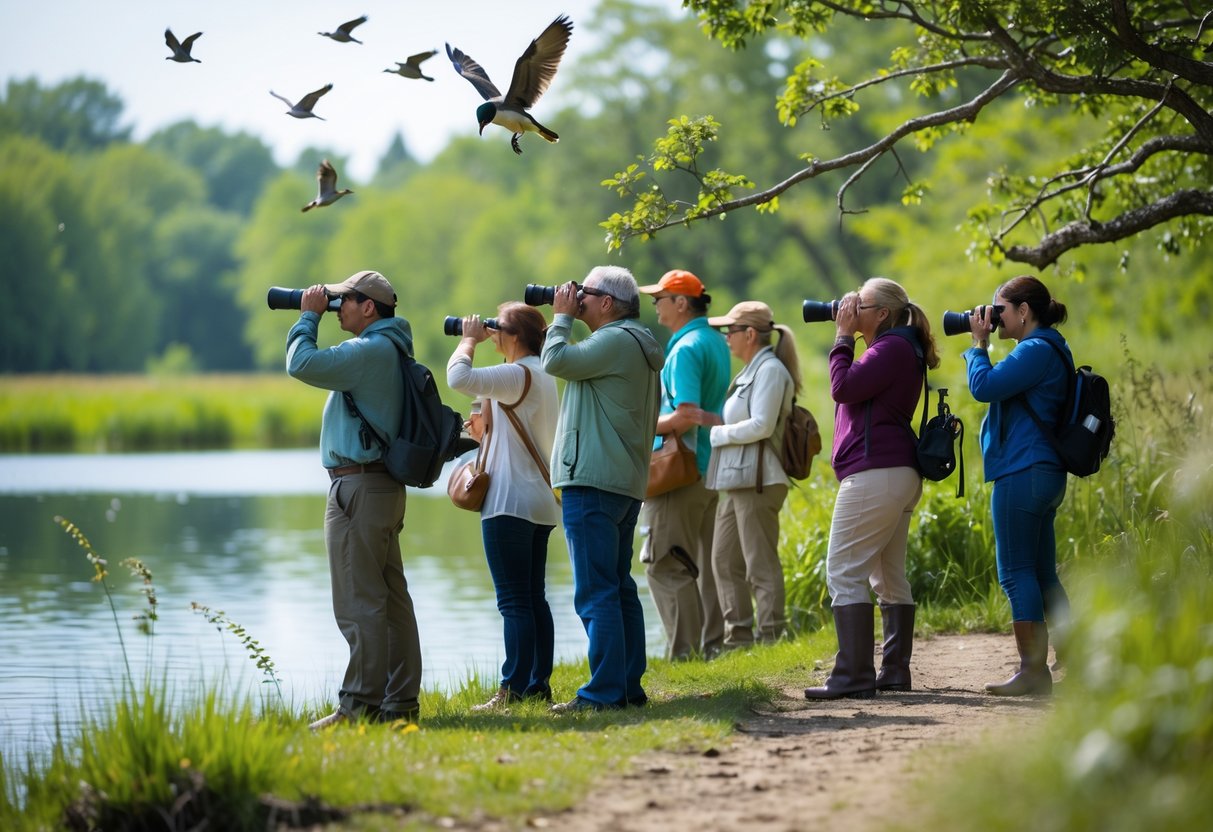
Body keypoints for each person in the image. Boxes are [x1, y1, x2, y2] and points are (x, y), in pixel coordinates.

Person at [286, 270, 423, 729]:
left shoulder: (368, 351)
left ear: (370, 308)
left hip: (358, 488)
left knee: (358, 601)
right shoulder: (393, 348)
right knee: (390, 598)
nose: (337, 305)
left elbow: (301, 364)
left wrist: (307, 317)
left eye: (346, 298)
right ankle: (399, 702)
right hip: (382, 487)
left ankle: (359, 707)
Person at [805, 277, 938, 700]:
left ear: (882, 313)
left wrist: (842, 338)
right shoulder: (899, 348)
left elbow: (842, 387)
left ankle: (852, 675)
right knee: (887, 576)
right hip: (893, 472)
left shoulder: (891, 348)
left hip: (876, 471)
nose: (849, 307)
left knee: (843, 570)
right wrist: (849, 334)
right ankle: (894, 670)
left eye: (858, 303)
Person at [542, 266, 664, 712]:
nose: (577, 300)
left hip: (592, 480)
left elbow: (555, 361)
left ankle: (605, 692)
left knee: (596, 591)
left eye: (584, 295)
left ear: (608, 303)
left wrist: (559, 318)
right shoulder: (636, 343)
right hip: (622, 482)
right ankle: (627, 685)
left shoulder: (613, 341)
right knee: (617, 586)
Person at [446, 303, 561, 710]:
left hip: (508, 501)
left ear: (513, 336)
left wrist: (468, 340)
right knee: (534, 598)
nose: (491, 334)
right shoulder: (544, 373)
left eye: (497, 328)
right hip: (541, 501)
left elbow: (458, 376)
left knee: (513, 601)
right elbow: (495, 414)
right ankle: (536, 685)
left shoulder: (517, 374)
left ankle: (511, 690)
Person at [964, 275, 1072, 697]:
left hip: (1022, 471)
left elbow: (983, 386)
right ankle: (1072, 657)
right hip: (1044, 472)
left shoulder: (1033, 350)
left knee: (1015, 573)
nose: (993, 319)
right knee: (1043, 573)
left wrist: (978, 347)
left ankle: (1032, 671)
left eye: (1000, 310)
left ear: (1024, 311)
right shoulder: (1053, 348)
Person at [637, 270, 731, 661]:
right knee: (698, 564)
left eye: (661, 297)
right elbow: (707, 414)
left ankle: (684, 655)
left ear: (681, 303)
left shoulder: (686, 348)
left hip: (681, 471)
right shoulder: (713, 340)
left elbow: (687, 414)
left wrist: (640, 423)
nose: (655, 304)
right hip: (709, 468)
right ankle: (709, 650)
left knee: (664, 563)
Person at [698, 301, 801, 650]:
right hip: (737, 480)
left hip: (758, 480)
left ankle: (771, 634)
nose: (726, 338)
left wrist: (716, 434)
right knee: (723, 559)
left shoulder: (769, 370)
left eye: (731, 331)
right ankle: (738, 637)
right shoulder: (751, 370)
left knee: (759, 561)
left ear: (751, 334)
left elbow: (762, 425)